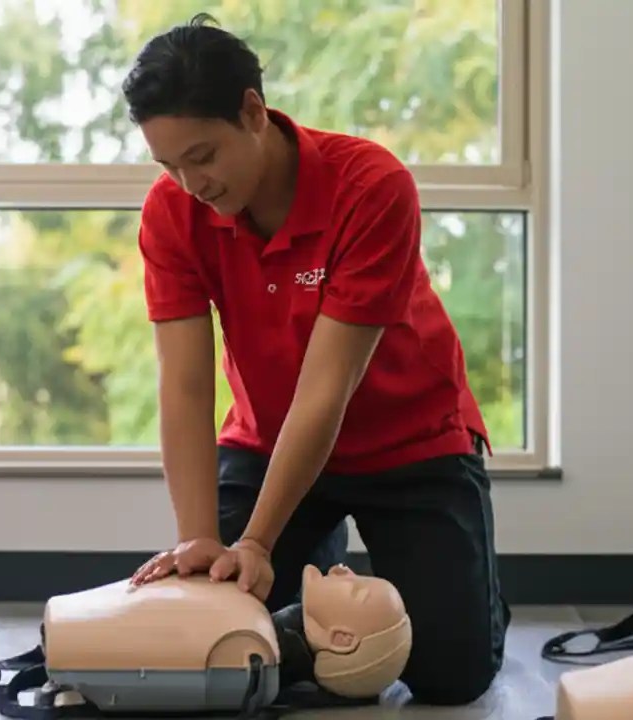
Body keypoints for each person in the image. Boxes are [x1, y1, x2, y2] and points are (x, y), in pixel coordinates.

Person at [121, 15, 508, 705]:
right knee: (217, 635)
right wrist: (204, 542)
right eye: (169, 164)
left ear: (253, 111)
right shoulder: (172, 213)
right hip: (269, 441)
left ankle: (458, 598)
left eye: (203, 155)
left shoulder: (372, 187)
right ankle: (317, 593)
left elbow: (325, 391)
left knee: (449, 676)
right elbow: (183, 390)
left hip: (410, 443)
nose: (190, 182)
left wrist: (260, 544)